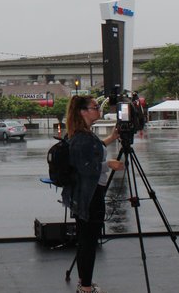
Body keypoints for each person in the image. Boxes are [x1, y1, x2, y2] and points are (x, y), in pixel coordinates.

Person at [64, 95, 123, 293]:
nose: (98, 109)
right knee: (88, 243)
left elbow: (92, 153)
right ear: (83, 112)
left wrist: (111, 139)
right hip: (90, 197)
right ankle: (87, 288)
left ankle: (84, 284)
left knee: (85, 240)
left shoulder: (83, 135)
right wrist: (110, 164)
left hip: (84, 195)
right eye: (94, 107)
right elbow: (87, 167)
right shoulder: (82, 137)